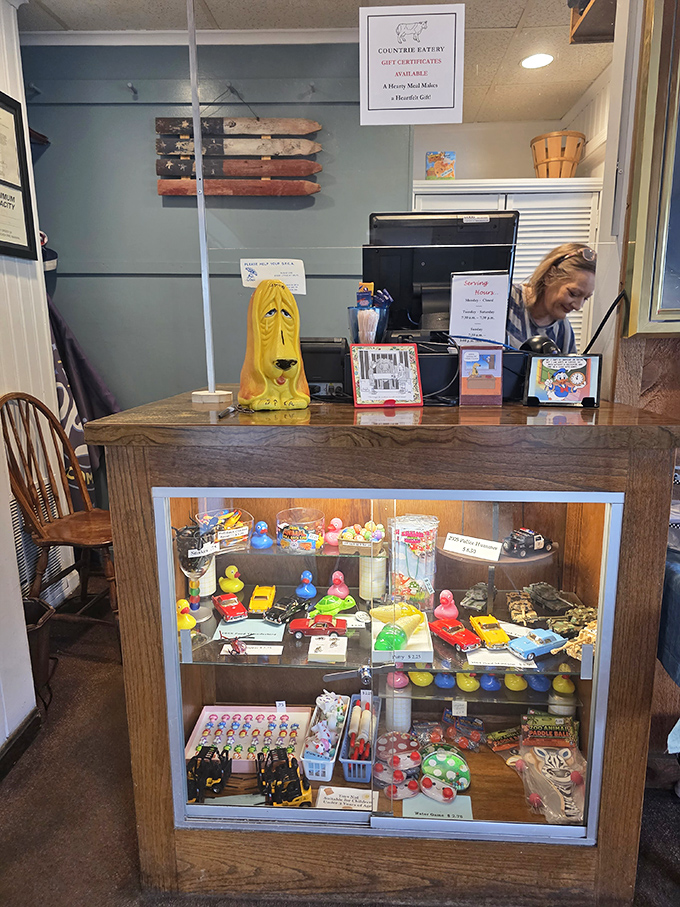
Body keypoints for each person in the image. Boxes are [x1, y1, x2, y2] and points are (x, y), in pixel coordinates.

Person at [506, 243, 596, 354]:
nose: (578, 306)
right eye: (573, 294)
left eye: (585, 298)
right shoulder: (505, 299)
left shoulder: (564, 331)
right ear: (550, 276)